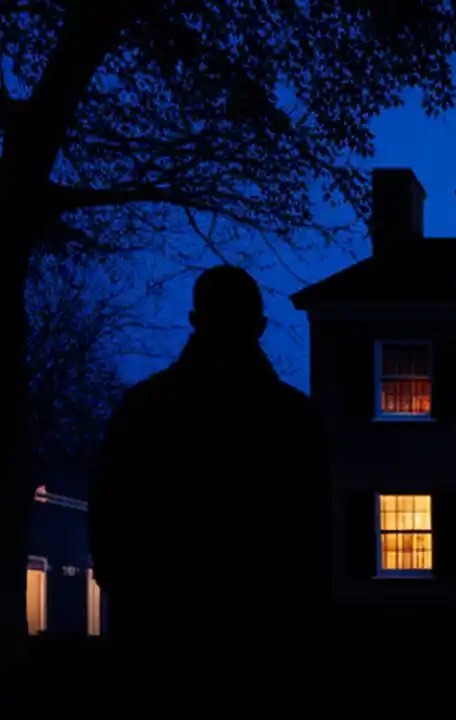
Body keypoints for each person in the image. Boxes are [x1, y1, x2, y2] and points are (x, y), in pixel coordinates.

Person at [89, 265, 331, 708]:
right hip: (265, 639)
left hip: (159, 639)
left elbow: (109, 523)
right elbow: (314, 540)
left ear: (195, 320)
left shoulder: (144, 409)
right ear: (259, 326)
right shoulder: (293, 419)